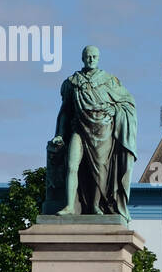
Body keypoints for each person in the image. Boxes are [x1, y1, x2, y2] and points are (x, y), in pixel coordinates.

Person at [48, 46, 137, 224]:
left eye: (94, 56)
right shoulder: (72, 82)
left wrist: (114, 109)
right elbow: (66, 110)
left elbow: (128, 104)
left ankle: (96, 205)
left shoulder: (109, 81)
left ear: (99, 58)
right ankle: (69, 206)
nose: (91, 59)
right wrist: (59, 134)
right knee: (72, 165)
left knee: (100, 169)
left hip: (103, 130)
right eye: (88, 56)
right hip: (79, 129)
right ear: (82, 58)